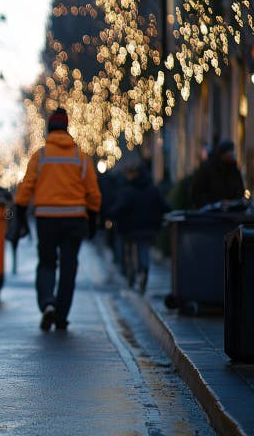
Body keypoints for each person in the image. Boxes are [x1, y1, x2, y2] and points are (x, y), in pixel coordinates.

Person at [15, 108, 102, 331]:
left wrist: (20, 211)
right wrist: (92, 218)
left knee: (46, 263)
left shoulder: (41, 156)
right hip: (75, 219)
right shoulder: (80, 157)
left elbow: (26, 186)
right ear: (67, 128)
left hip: (46, 219)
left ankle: (47, 304)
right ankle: (62, 316)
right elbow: (93, 192)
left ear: (49, 129)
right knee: (69, 267)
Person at [109, 162, 170, 293]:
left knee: (130, 249)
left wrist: (109, 214)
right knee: (144, 248)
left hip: (130, 228)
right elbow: (165, 206)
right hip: (148, 227)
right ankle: (143, 269)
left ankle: (132, 271)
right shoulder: (153, 190)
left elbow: (119, 207)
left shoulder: (128, 191)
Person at [191, 140, 245, 208]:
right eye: (231, 151)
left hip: (231, 212)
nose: (233, 154)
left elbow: (240, 190)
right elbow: (197, 193)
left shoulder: (234, 170)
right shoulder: (208, 169)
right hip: (211, 213)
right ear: (223, 154)